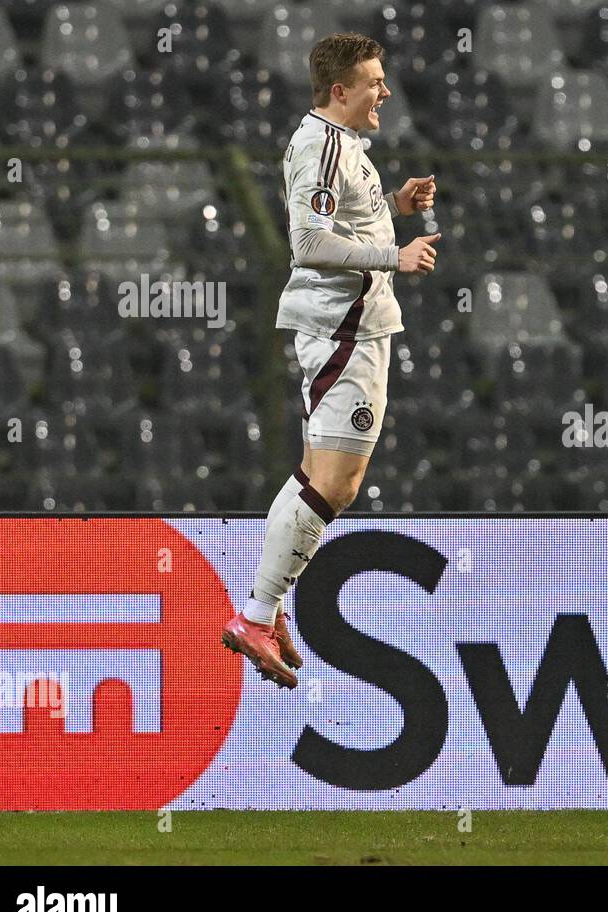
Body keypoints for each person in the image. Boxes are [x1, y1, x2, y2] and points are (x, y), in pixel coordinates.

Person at [222, 33, 441, 688]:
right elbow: (311, 243)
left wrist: (394, 206)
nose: (387, 91)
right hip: (345, 332)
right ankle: (256, 614)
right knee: (336, 482)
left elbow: (346, 219)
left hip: (358, 329)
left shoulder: (346, 147)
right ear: (340, 90)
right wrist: (393, 256)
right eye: (376, 81)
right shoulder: (319, 145)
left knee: (321, 474)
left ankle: (264, 606)